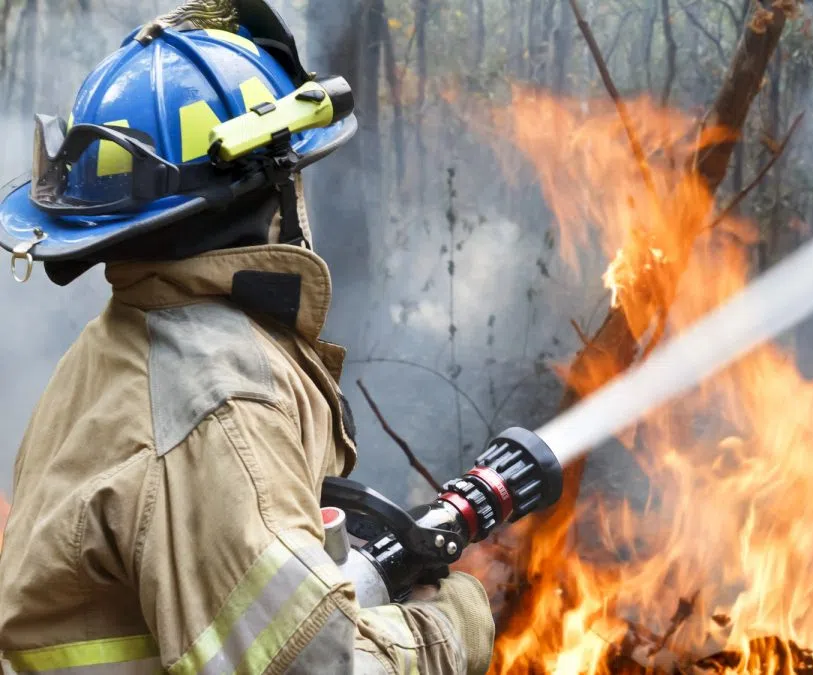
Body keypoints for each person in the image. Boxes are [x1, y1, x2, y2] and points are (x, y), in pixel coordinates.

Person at [0, 1, 495, 673]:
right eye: (295, 175)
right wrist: (451, 627)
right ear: (269, 193)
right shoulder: (221, 402)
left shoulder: (112, 347)